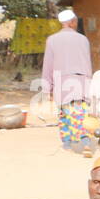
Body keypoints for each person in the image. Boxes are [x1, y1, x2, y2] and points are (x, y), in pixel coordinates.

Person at [41, 8, 95, 155]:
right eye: (75, 21)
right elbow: (88, 62)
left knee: (65, 112)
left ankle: (67, 142)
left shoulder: (52, 40)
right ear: (71, 22)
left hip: (61, 82)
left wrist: (48, 88)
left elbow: (48, 65)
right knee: (79, 112)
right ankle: (85, 141)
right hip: (81, 81)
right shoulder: (83, 39)